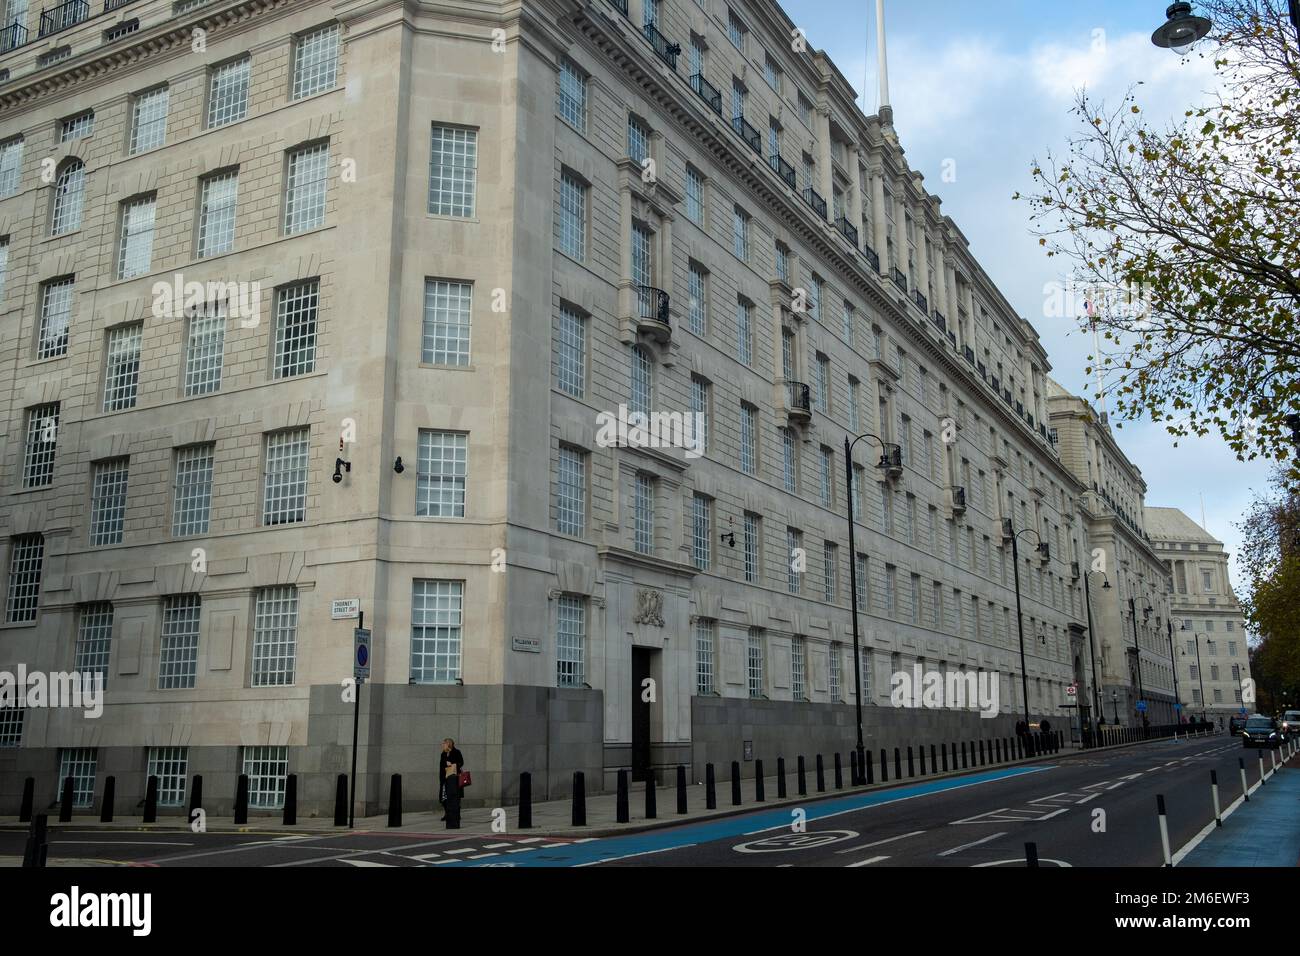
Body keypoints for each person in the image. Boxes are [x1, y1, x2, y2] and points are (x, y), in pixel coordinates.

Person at [438, 737, 464, 825]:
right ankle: (447, 813)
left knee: (455, 797)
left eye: (444, 743)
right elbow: (441, 766)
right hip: (445, 778)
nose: (442, 745)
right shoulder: (443, 754)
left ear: (448, 744)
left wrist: (453, 764)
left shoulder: (457, 752)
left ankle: (456, 814)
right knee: (443, 797)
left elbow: (461, 762)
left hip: (454, 778)